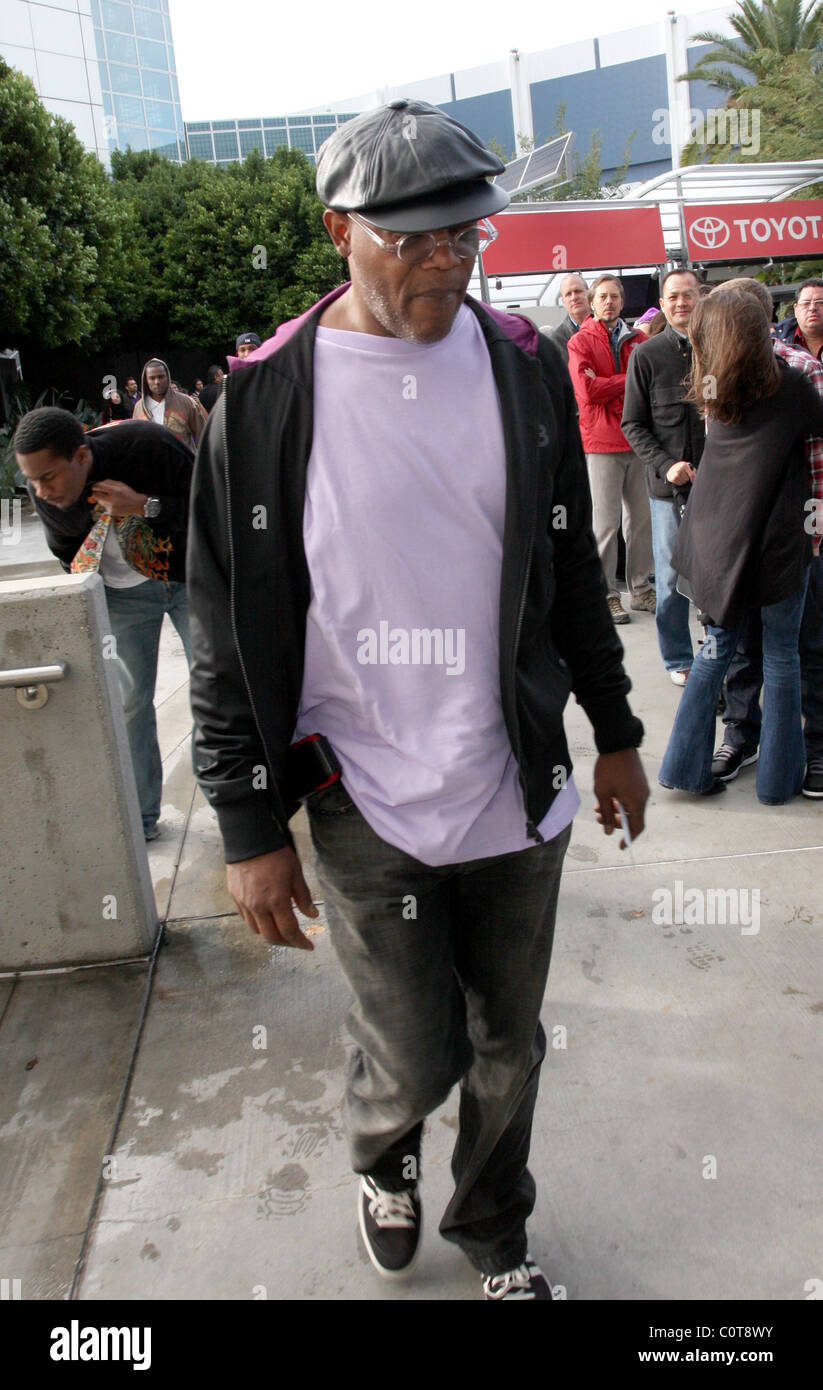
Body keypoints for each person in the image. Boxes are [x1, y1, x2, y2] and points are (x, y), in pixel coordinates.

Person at [187, 97, 648, 1302]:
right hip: (359, 793)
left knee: (510, 1041)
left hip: (515, 776)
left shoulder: (521, 368)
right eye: (416, 239)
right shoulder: (266, 401)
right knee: (414, 1046)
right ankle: (381, 1147)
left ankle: (495, 1232)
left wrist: (615, 732)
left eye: (466, 237)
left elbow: (565, 583)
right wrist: (247, 827)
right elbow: (223, 635)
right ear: (340, 227)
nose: (446, 260)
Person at [658, 289, 823, 803]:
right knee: (781, 655)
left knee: (715, 651)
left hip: (713, 539)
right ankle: (778, 783)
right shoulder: (794, 384)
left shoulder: (711, 386)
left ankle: (686, 770)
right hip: (776, 542)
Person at [14, 407, 194, 840]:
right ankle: (142, 820)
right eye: (31, 479)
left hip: (190, 580)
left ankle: (238, 805)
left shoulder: (147, 444)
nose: (40, 490)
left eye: (49, 477)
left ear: (80, 455)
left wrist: (144, 506)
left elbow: (213, 502)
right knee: (132, 704)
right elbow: (69, 556)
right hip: (123, 595)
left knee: (218, 689)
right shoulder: (47, 492)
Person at [707, 278, 823, 799]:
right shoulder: (717, 375)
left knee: (807, 646)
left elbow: (818, 462)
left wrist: (815, 528)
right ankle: (742, 738)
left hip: (801, 533)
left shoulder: (800, 373)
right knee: (746, 650)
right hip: (740, 537)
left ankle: (815, 751)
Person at [622, 268, 705, 685]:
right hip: (667, 490)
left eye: (688, 295)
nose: (680, 303)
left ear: (699, 298)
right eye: (672, 297)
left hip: (720, 486)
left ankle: (718, 649)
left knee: (717, 574)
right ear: (664, 301)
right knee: (671, 579)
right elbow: (632, 424)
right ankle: (678, 659)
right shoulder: (647, 355)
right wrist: (665, 463)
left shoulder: (719, 347)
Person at [568, 275, 655, 624]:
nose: (609, 302)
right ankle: (606, 595)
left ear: (622, 301)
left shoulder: (640, 340)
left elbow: (648, 387)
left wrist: (610, 383)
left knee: (641, 521)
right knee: (605, 524)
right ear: (592, 302)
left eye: (615, 296)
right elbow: (586, 392)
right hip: (600, 442)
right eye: (602, 296)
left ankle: (641, 588)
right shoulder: (580, 342)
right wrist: (628, 380)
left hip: (637, 439)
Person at [131, 357, 206, 450]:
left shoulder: (187, 403)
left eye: (160, 377)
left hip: (183, 462)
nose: (157, 382)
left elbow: (203, 436)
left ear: (168, 377)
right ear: (146, 380)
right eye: (152, 378)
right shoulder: (139, 407)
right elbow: (135, 439)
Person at [773, 278, 823, 361]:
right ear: (796, 310)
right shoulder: (778, 342)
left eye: (820, 302)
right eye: (806, 303)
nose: (812, 308)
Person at [543, 273, 589, 359]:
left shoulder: (606, 327)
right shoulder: (557, 338)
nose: (574, 297)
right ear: (563, 301)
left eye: (578, 291)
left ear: (589, 293)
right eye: (568, 294)